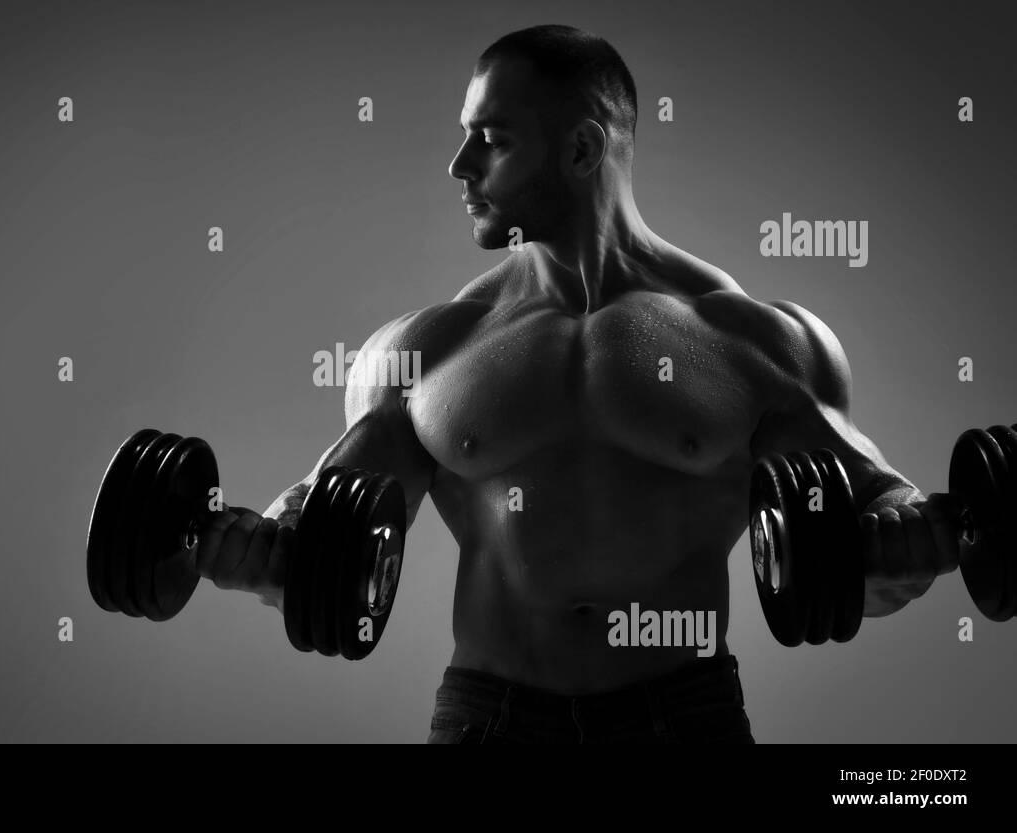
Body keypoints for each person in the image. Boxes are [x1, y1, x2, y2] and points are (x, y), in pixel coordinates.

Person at [188, 25, 961, 743]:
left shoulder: (754, 341)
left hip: (683, 718)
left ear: (584, 149)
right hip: (490, 719)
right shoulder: (426, 349)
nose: (459, 165)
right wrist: (244, 552)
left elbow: (862, 557)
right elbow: (323, 555)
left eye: (490, 140)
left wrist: (915, 537)